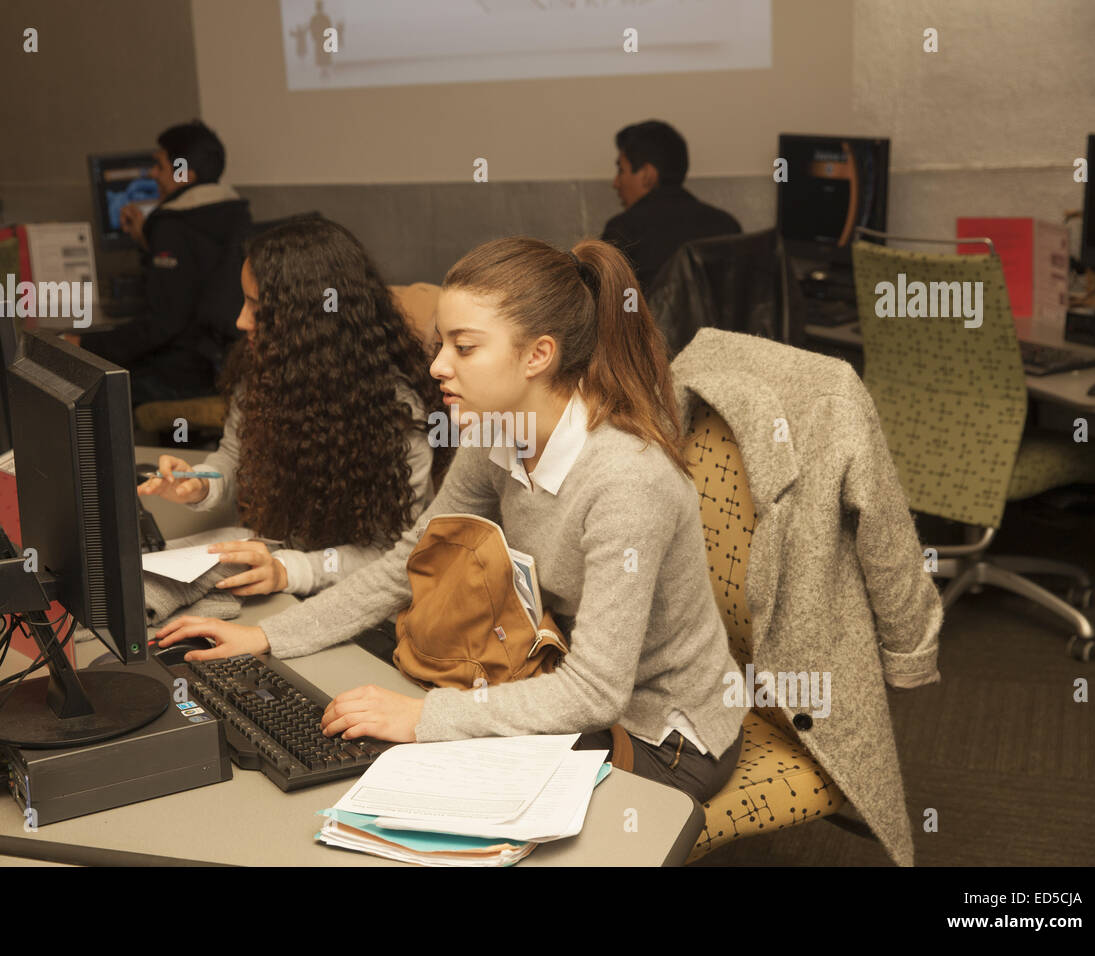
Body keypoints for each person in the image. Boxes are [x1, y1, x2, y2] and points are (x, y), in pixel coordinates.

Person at [155, 236, 748, 802]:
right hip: (553, 680)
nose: (438, 366)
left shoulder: (626, 481)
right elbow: (408, 565)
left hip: (659, 737)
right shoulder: (497, 432)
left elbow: (596, 692)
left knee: (417, 770)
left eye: (463, 348)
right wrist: (267, 637)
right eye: (440, 344)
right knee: (373, 741)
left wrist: (423, 718)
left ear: (539, 355)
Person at [139, 216, 447, 597]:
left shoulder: (395, 410)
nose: (240, 321)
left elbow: (391, 552)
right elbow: (235, 457)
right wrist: (201, 484)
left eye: (257, 308)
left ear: (308, 320)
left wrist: (289, 569)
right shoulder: (265, 370)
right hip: (279, 564)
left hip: (356, 593)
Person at [82, 120, 251, 404]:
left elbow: (162, 324)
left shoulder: (172, 225)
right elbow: (196, 272)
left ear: (186, 174)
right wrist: (149, 244)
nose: (152, 174)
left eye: (160, 166)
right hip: (222, 366)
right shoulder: (234, 212)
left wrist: (86, 344)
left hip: (184, 375)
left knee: (94, 383)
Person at [601, 120, 742, 295]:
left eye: (621, 170)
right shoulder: (727, 226)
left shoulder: (621, 230)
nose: (616, 183)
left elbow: (609, 310)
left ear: (647, 174)